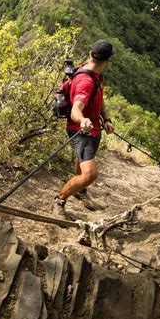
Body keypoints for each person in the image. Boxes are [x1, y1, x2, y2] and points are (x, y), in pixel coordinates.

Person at [53, 39, 115, 218]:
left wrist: (106, 119)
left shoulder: (94, 73)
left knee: (82, 164)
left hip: (94, 127)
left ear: (91, 55)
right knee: (89, 174)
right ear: (107, 61)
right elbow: (75, 110)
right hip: (80, 131)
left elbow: (99, 96)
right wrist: (82, 121)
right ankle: (59, 200)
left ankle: (80, 191)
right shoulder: (86, 81)